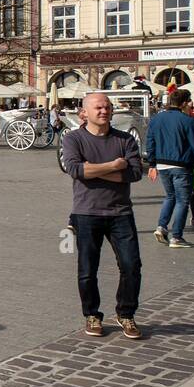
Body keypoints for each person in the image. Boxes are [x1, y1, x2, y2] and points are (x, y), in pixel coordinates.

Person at [61, 92, 146, 340]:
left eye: (107, 107)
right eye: (98, 107)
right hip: (86, 212)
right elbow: (76, 170)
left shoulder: (125, 140)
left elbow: (134, 173)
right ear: (84, 113)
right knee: (88, 269)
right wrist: (113, 166)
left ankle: (126, 313)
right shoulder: (73, 139)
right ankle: (92, 314)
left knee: (131, 266)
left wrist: (93, 170)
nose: (104, 111)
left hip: (120, 212)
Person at [144, 88, 194, 249]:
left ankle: (162, 226)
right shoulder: (188, 120)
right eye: (190, 101)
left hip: (162, 164)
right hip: (181, 164)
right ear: (185, 102)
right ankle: (177, 236)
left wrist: (152, 164)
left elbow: (150, 142)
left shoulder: (156, 119)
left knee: (170, 196)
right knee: (182, 201)